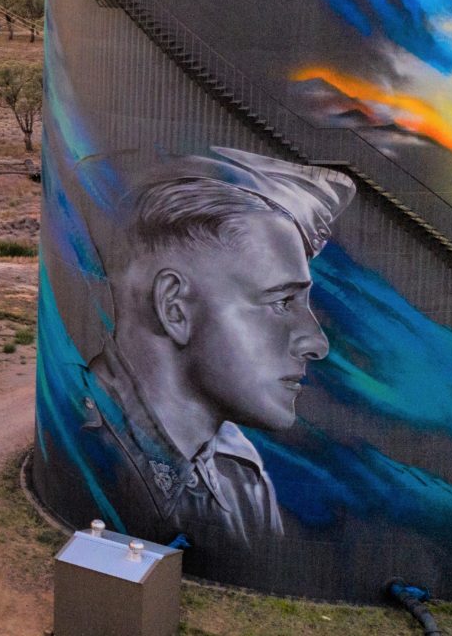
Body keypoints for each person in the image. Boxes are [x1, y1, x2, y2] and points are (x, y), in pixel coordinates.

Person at [80, 147, 354, 553]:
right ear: (175, 308)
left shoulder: (240, 474)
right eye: (282, 302)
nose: (316, 343)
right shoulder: (84, 444)